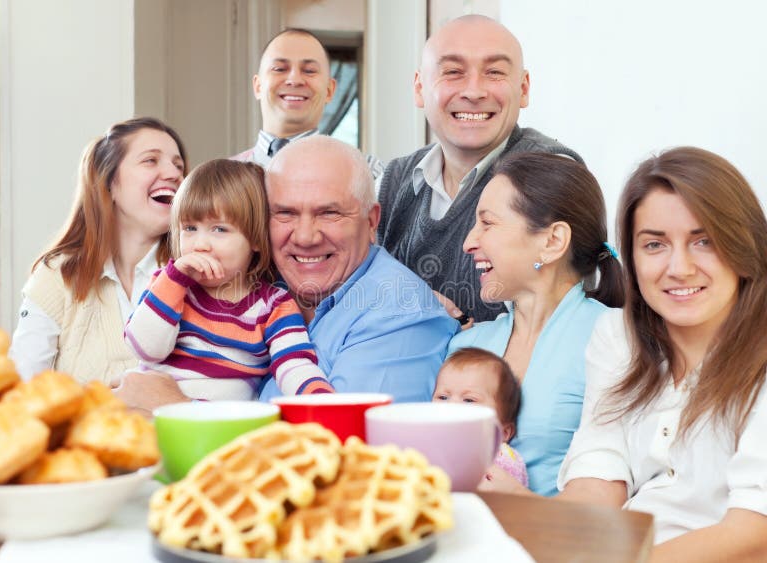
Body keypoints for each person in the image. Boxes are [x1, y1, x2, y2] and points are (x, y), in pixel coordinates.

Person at [488, 147, 767, 562]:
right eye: (654, 245)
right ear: (632, 259)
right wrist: (526, 526)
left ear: (742, 245)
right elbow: (600, 480)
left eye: (703, 241)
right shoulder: (617, 337)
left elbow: (753, 533)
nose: (679, 267)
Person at [377, 15, 582, 324]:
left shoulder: (551, 174)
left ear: (524, 88)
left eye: (494, 72)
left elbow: (558, 321)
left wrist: (453, 327)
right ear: (419, 88)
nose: (474, 92)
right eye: (453, 72)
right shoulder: (394, 180)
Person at [450, 152, 624, 496]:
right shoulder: (464, 348)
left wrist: (521, 504)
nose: (469, 242)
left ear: (552, 241)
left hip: (564, 544)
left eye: (487, 223)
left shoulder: (614, 338)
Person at [259, 135, 459, 402]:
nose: (305, 237)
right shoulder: (260, 290)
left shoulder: (400, 312)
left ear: (371, 221)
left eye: (329, 213)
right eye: (285, 213)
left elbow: (339, 438)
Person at [123, 159, 334, 400]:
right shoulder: (167, 285)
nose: (200, 244)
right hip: (150, 419)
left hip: (224, 429)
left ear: (256, 239)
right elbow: (146, 350)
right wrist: (175, 281)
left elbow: (294, 366)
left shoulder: (274, 306)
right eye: (190, 228)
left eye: (219, 229)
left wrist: (321, 402)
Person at [9, 117, 188, 384]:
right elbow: (22, 389)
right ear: (108, 182)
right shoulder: (56, 277)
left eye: (178, 166)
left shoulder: (197, 272)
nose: (174, 174)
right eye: (151, 160)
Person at [232, 28, 383, 178]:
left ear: (329, 90)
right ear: (258, 86)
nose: (295, 80)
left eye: (309, 71)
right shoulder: (221, 182)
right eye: (279, 69)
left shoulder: (367, 172)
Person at [433, 347, 528, 487]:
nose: (451, 405)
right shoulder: (425, 444)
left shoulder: (500, 460)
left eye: (469, 400)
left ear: (502, 433)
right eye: (443, 397)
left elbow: (508, 499)